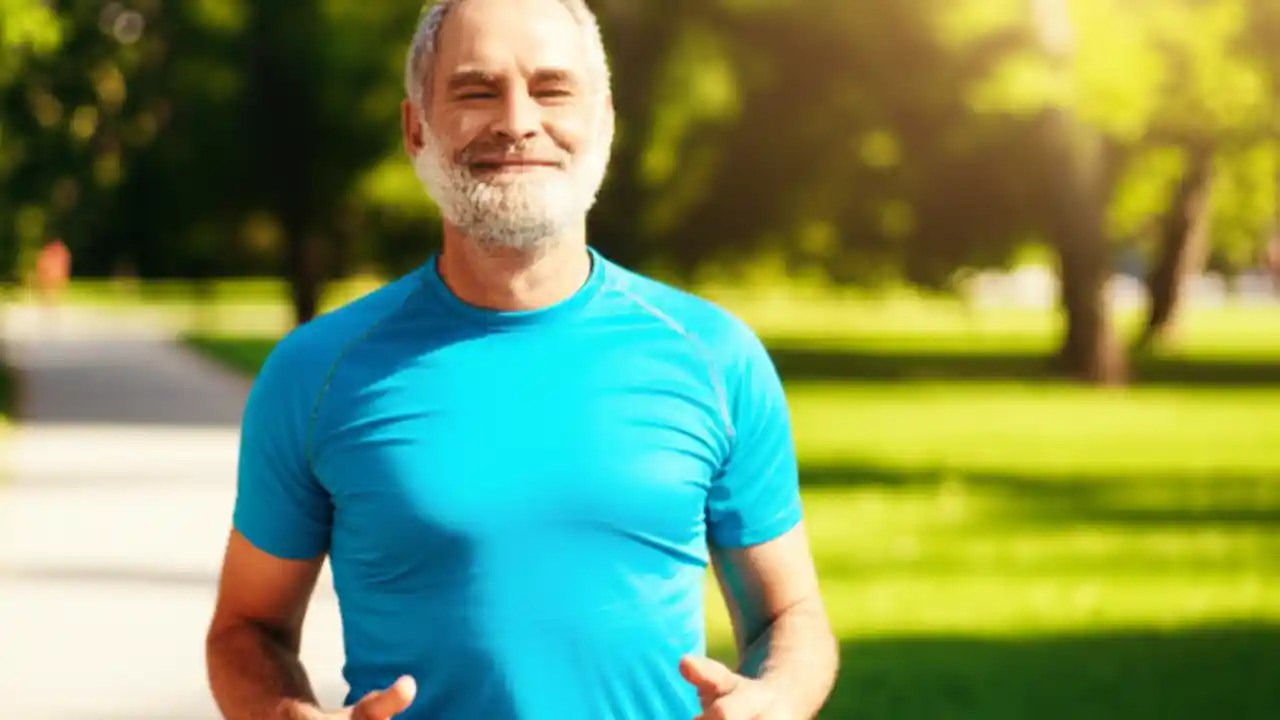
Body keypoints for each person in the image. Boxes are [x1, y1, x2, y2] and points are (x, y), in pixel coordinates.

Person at [204, 1, 838, 718]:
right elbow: (245, 630)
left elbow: (792, 618)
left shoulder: (716, 359)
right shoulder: (316, 374)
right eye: (476, 90)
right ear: (417, 127)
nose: (516, 121)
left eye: (552, 88)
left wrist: (776, 699)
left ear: (604, 119)